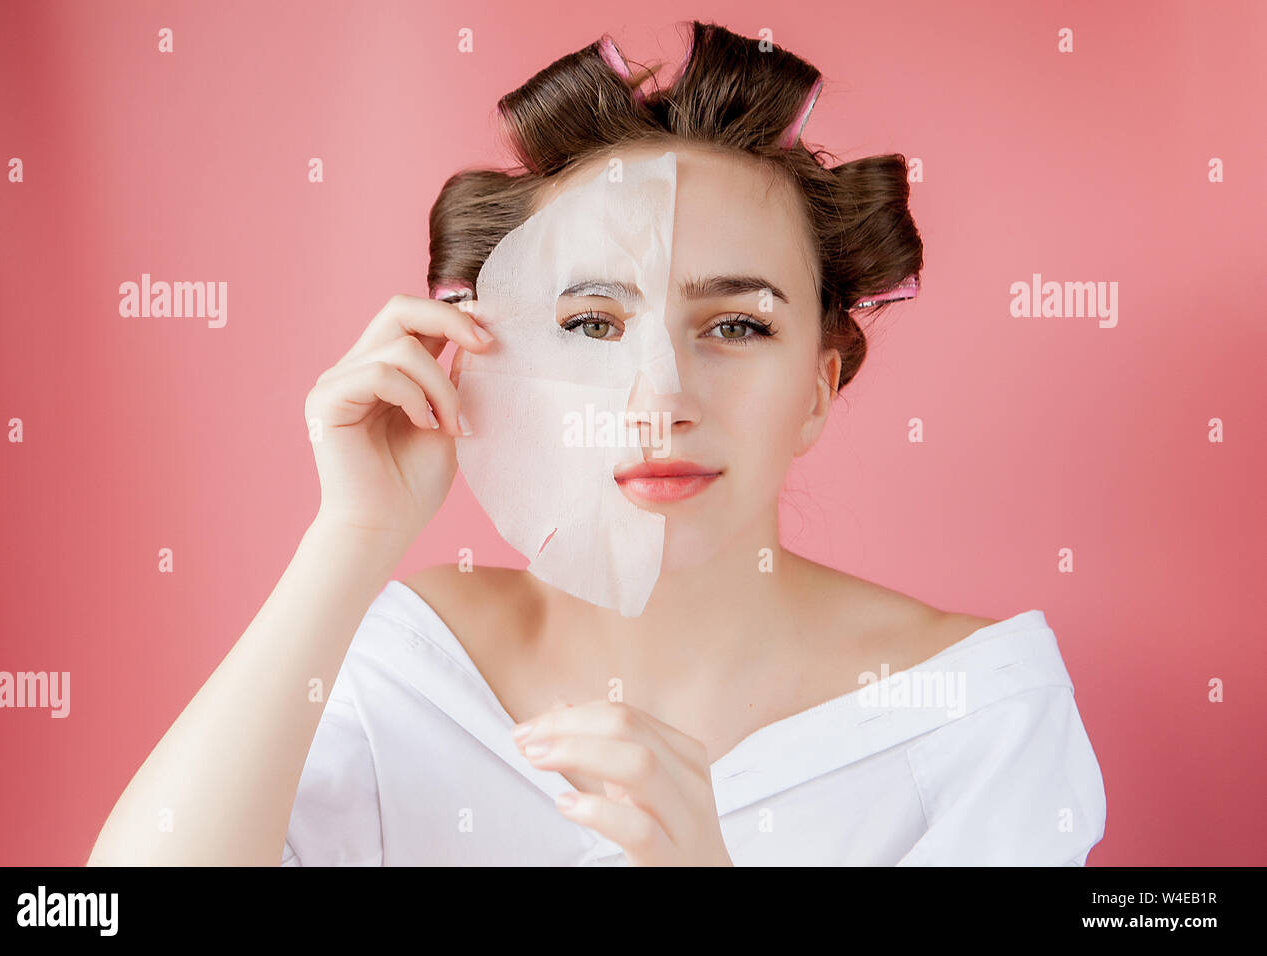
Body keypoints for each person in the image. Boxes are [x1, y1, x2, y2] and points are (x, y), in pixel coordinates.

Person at [87, 20, 1105, 867]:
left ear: (817, 388)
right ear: (497, 360)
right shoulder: (413, 664)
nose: (657, 397)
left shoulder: (977, 712)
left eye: (737, 325)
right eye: (590, 325)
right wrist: (350, 533)